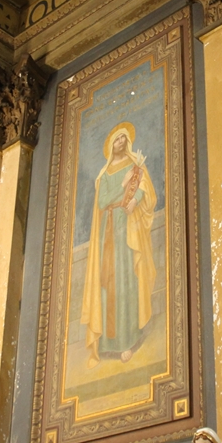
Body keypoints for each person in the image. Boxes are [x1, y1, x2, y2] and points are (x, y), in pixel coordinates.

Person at [80, 122, 157, 369]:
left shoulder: (135, 165)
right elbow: (103, 201)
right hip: (109, 232)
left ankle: (127, 341)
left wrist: (135, 199)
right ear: (111, 145)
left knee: (126, 279)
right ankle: (106, 344)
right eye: (117, 139)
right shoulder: (104, 174)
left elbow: (144, 187)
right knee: (108, 282)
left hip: (128, 229)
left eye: (124, 138)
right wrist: (122, 185)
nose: (121, 142)